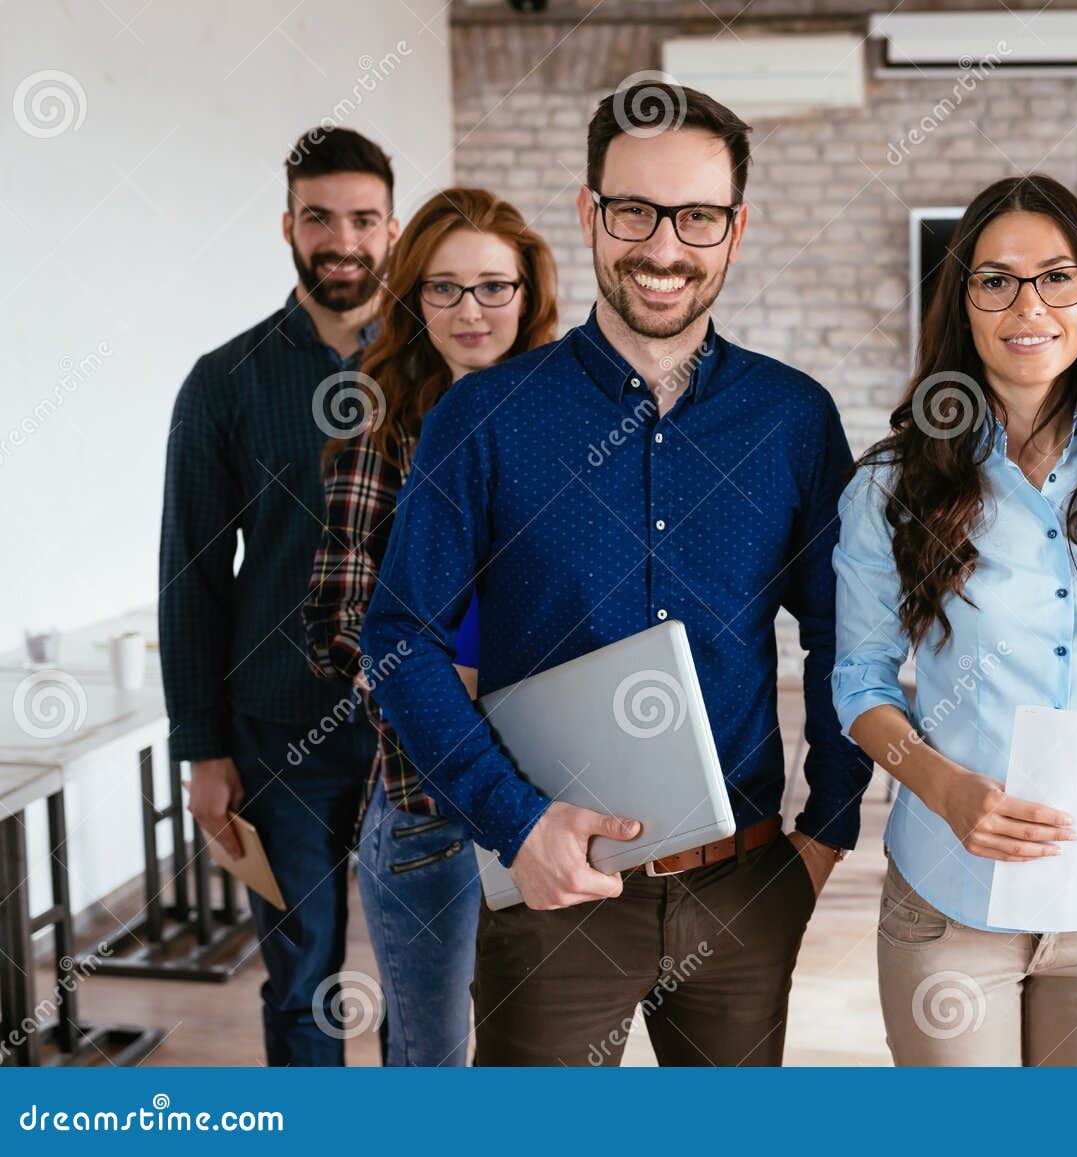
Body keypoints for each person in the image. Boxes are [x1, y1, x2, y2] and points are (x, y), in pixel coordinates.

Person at [361, 83, 873, 1066]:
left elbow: (843, 632)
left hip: (743, 887)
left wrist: (826, 831)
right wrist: (515, 823)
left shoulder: (792, 418)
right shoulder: (484, 418)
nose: (664, 247)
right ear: (591, 212)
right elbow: (400, 638)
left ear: (735, 227)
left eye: (697, 217)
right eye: (634, 211)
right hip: (556, 881)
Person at [832, 174, 1077, 1067]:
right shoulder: (891, 487)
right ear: (962, 303)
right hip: (950, 897)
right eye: (995, 279)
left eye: (1056, 276)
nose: (1028, 304)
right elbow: (858, 686)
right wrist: (941, 786)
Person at [302, 188, 559, 1066]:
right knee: (430, 1063)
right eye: (444, 289)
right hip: (425, 808)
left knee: (543, 1054)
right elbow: (339, 621)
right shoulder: (382, 425)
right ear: (413, 299)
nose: (471, 311)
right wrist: (440, 684)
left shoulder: (576, 424)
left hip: (560, 789)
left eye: (494, 286)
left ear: (529, 295)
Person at [159, 127, 398, 1066]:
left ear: (392, 226)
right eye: (320, 217)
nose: (342, 238)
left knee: (435, 974)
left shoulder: (435, 366)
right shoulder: (225, 381)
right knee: (303, 986)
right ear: (288, 226)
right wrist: (202, 747)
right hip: (278, 733)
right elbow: (190, 577)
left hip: (424, 727)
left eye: (363, 218)